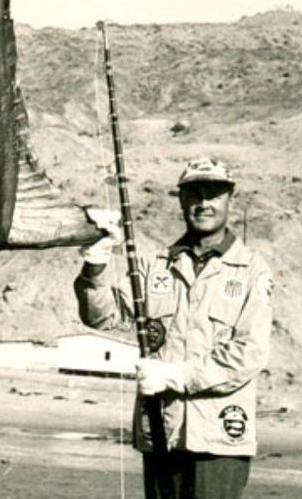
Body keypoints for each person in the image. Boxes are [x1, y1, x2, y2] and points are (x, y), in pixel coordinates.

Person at [74, 157, 274, 499]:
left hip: (219, 437)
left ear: (229, 199)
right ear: (181, 199)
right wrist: (97, 262)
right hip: (161, 430)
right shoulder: (155, 265)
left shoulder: (253, 270)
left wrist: (177, 376)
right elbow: (102, 315)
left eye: (214, 194)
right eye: (194, 193)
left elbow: (249, 353)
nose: (204, 203)